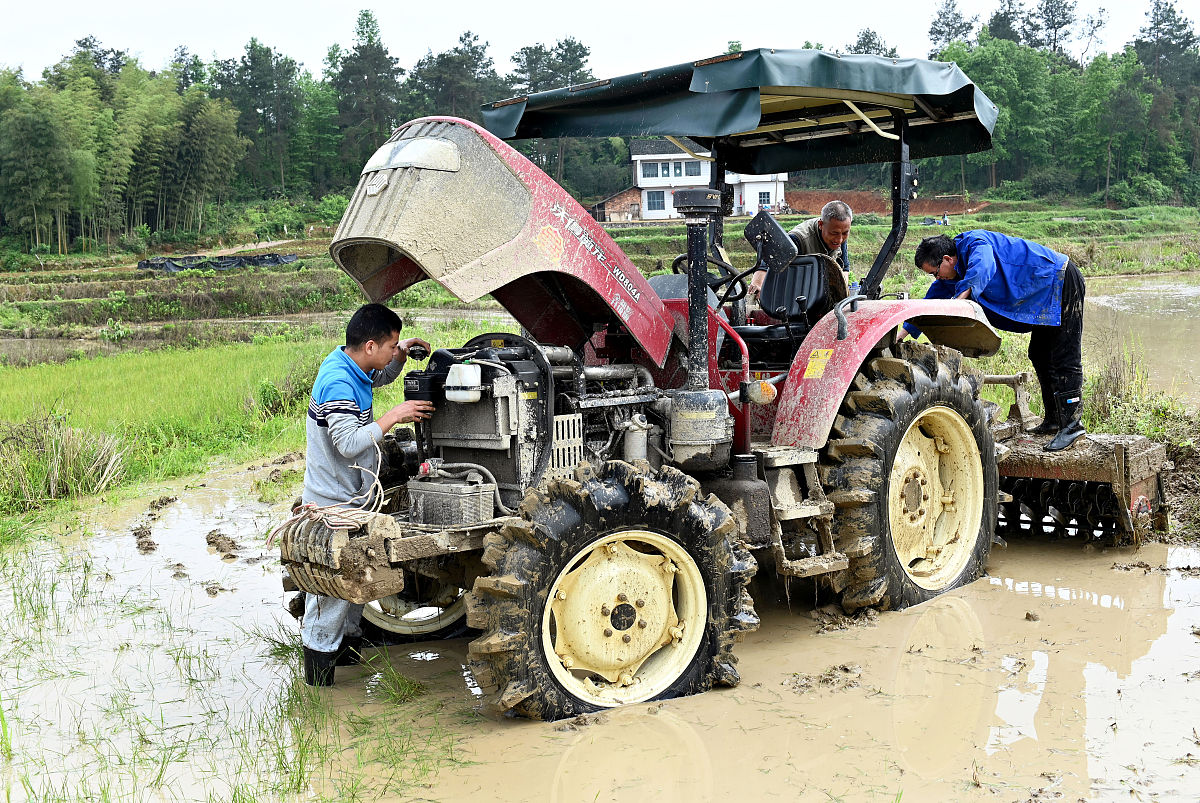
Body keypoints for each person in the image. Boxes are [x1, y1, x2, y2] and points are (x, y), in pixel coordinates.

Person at [300, 303, 434, 686]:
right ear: (371, 345)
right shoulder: (338, 383)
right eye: (390, 346)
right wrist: (394, 415)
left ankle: (346, 658)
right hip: (333, 502)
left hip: (352, 496)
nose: (393, 355)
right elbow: (347, 444)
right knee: (330, 595)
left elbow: (380, 376)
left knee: (357, 580)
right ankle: (319, 687)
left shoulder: (352, 364)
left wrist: (402, 351)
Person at [900, 232, 1086, 452]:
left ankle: (1073, 426)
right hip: (1041, 294)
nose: (937, 279)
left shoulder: (976, 244)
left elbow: (982, 267)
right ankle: (1055, 420)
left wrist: (960, 302)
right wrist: (899, 335)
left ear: (948, 259)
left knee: (1064, 355)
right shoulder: (950, 277)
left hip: (1059, 280)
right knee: (1039, 353)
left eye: (935, 273)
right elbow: (930, 305)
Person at [750, 199, 852, 297]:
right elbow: (770, 257)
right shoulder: (798, 238)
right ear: (821, 225)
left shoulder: (839, 233)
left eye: (845, 233)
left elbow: (844, 269)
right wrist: (758, 283)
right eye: (834, 233)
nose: (839, 239)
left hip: (819, 286)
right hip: (795, 288)